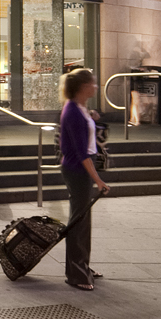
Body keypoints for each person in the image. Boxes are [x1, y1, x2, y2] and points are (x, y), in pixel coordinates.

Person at [60, 67, 108, 290]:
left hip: (79, 170)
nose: (96, 87)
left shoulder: (79, 108)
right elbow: (81, 153)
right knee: (78, 222)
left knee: (83, 220)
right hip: (77, 171)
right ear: (83, 87)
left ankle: (82, 266)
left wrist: (92, 117)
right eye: (93, 84)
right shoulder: (73, 112)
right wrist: (98, 180)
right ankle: (76, 273)